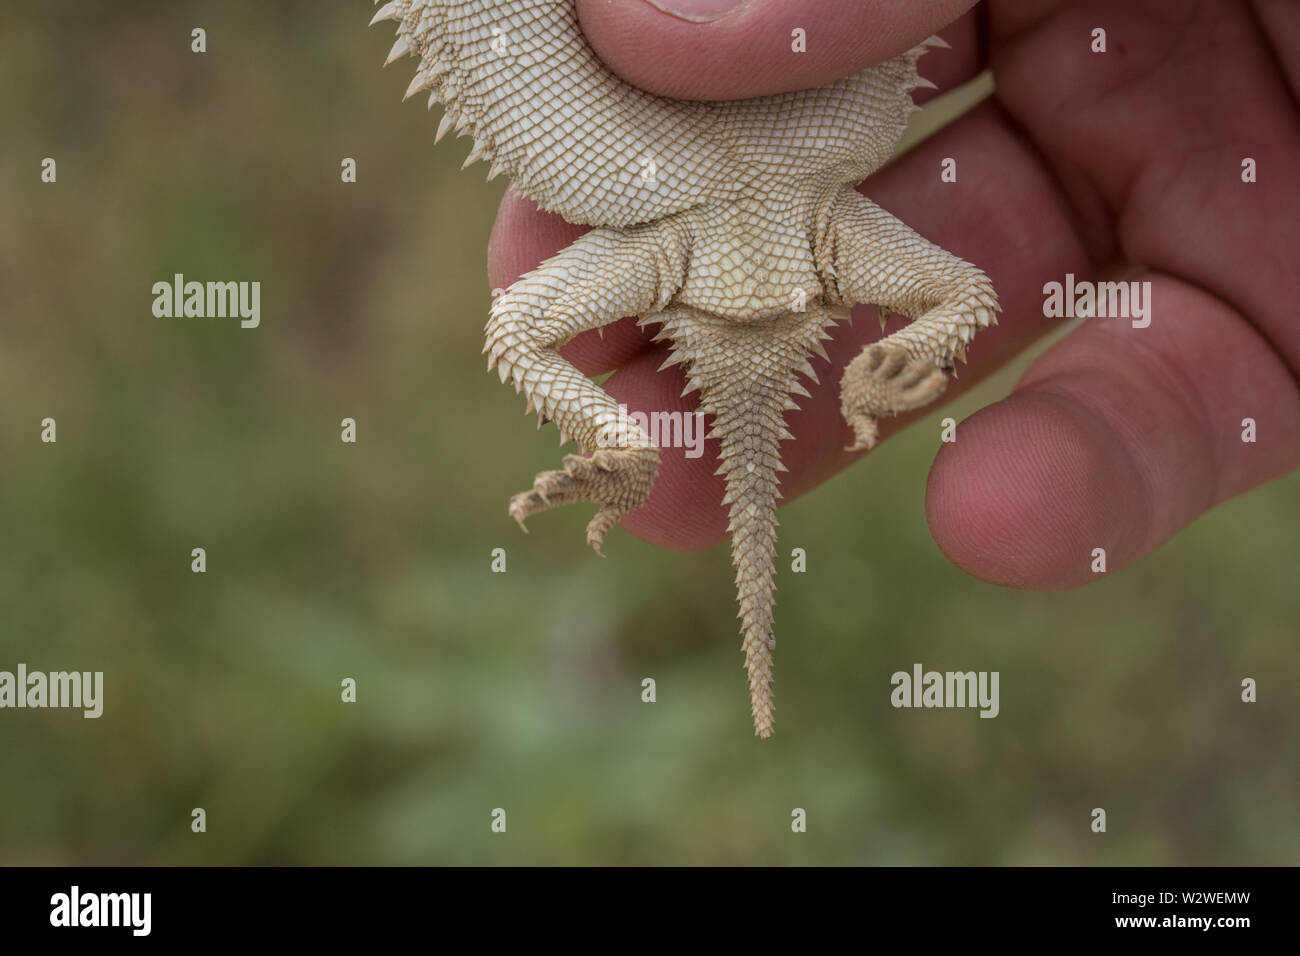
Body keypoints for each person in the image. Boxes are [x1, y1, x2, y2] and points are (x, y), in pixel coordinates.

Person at [487, 0, 1300, 589]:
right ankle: (625, 455)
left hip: (760, 222)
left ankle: (636, 450)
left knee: (520, 327)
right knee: (517, 324)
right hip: (711, 232)